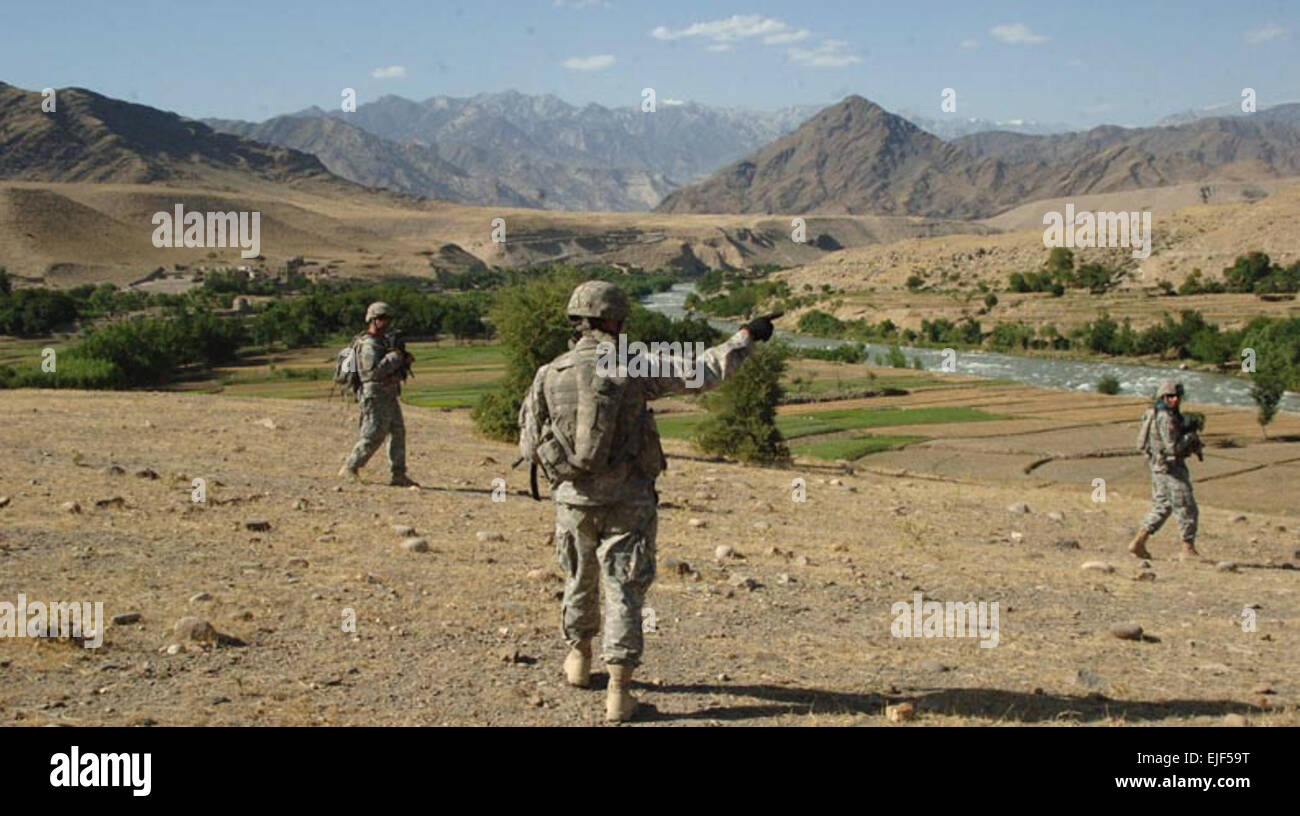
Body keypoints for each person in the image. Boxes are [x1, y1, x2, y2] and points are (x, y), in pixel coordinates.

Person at [518, 281, 774, 722]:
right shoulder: (634, 365)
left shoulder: (548, 372)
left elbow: (527, 442)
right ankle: (619, 693)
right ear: (615, 321)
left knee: (579, 576)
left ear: (576, 321)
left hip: (573, 500)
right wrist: (745, 337)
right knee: (623, 589)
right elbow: (704, 371)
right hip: (629, 500)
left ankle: (578, 660)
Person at [339, 301, 418, 487]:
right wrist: (395, 357)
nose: (386, 322)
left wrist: (403, 359)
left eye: (388, 318)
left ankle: (398, 474)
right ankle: (350, 466)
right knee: (373, 433)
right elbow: (372, 373)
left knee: (397, 432)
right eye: (382, 318)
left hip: (388, 393)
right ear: (373, 320)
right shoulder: (368, 345)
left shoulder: (382, 342)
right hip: (374, 394)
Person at [1129, 379, 1202, 561]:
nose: (1174, 400)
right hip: (1171, 468)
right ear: (1163, 396)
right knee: (1187, 506)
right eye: (1170, 396)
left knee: (1163, 506)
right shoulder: (1166, 417)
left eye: (1177, 396)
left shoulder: (1154, 413)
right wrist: (1190, 437)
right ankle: (1188, 548)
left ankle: (1139, 542)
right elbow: (1172, 447)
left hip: (1159, 467)